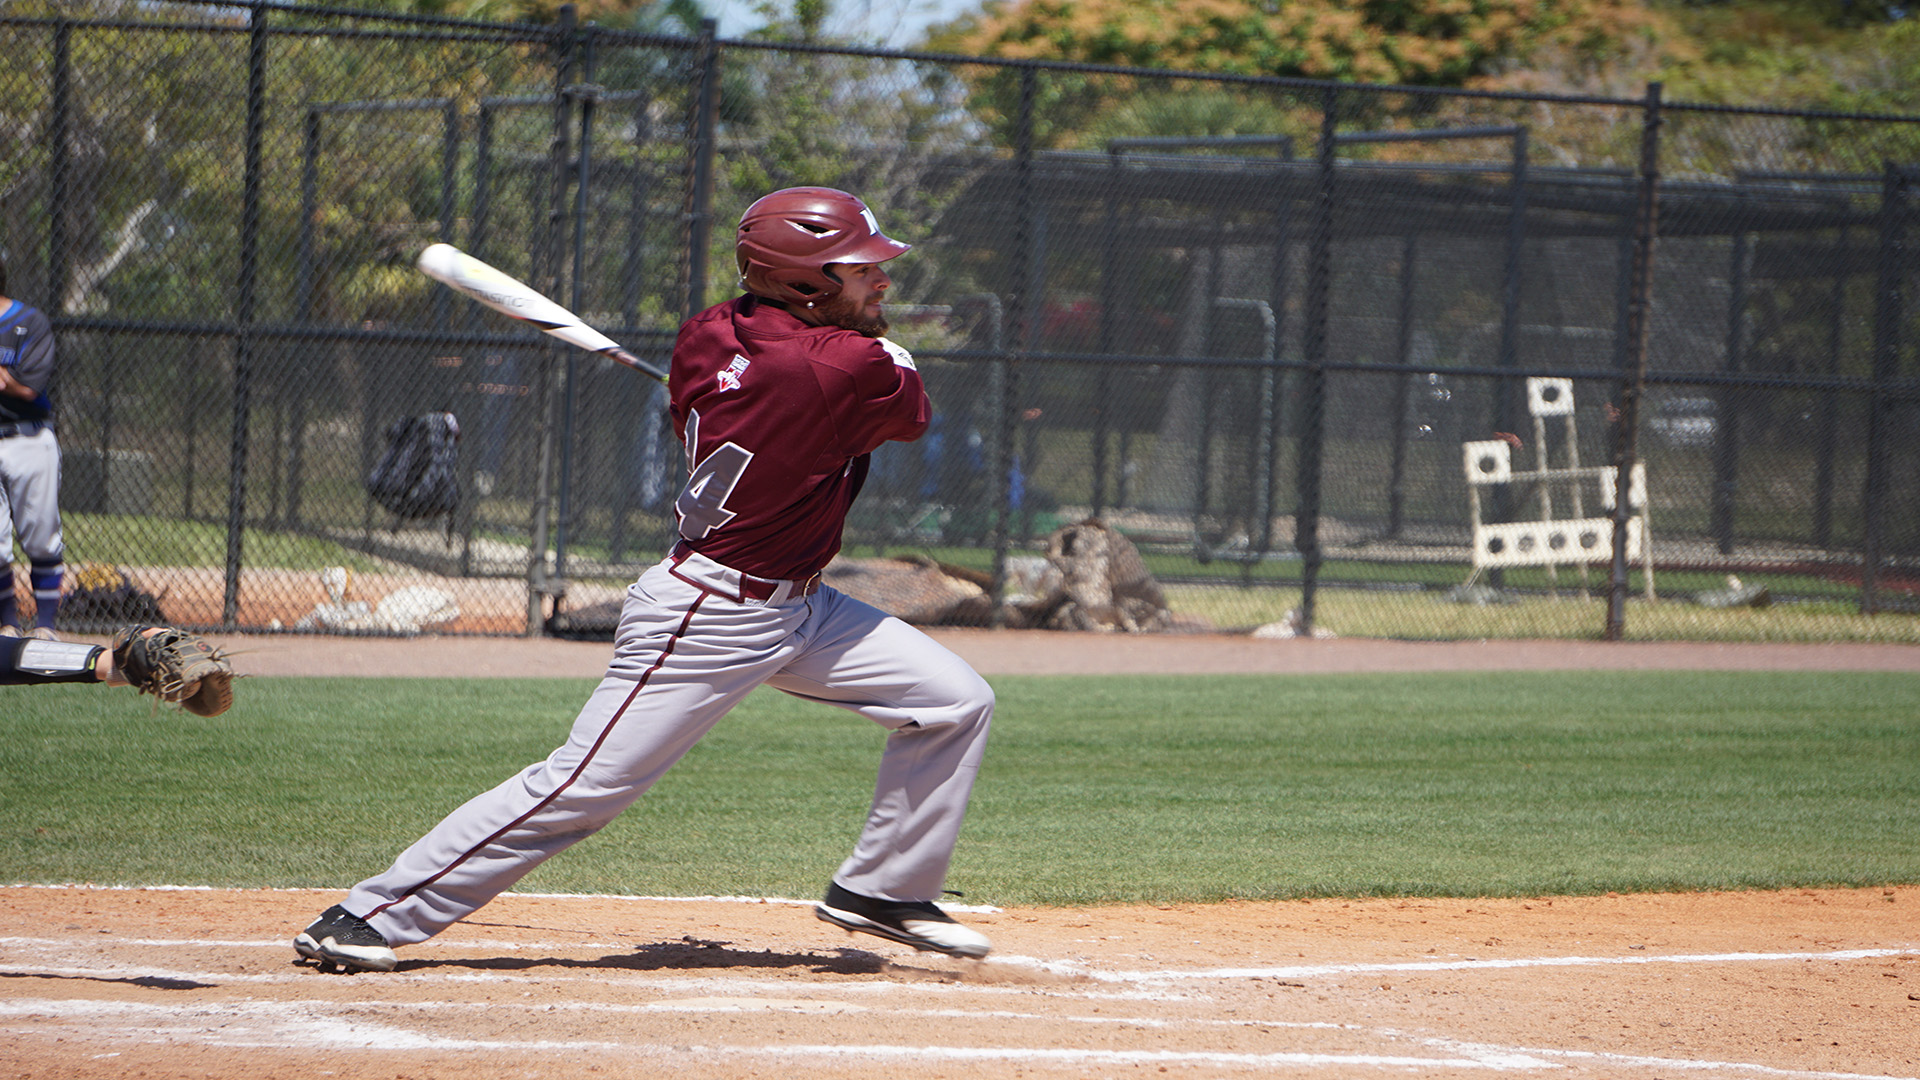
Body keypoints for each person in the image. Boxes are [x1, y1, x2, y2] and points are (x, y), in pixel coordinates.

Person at [295, 187, 997, 974]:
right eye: (863, 269)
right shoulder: (843, 368)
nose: (883, 283)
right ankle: (370, 912)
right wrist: (840, 369)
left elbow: (750, 378)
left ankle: (882, 888)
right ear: (806, 282)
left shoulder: (709, 334)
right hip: (711, 614)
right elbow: (910, 409)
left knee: (952, 700)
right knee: (582, 788)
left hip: (801, 605)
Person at [0, 255, 65, 640]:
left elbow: (29, 386)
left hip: (29, 439)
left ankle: (45, 627)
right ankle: (7, 623)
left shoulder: (30, 322)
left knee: (41, 537)